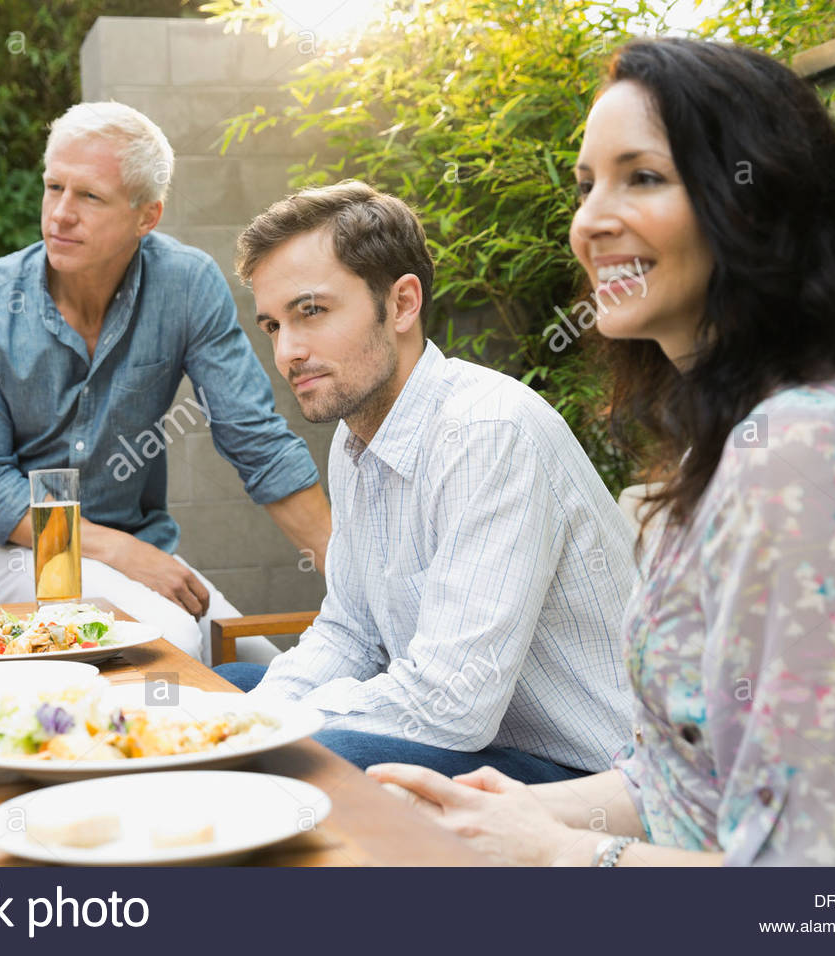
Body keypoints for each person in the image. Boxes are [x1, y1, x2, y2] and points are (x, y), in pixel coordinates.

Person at [370, 38, 835, 866]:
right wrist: (484, 810)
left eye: (643, 177)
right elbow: (679, 783)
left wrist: (559, 853)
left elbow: (830, 903)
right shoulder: (719, 449)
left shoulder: (811, 451)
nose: (590, 221)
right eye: (587, 183)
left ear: (754, 201)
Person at [217, 181, 636, 781]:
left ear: (403, 303)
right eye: (273, 326)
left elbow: (452, 701)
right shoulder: (354, 438)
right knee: (231, 689)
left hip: (585, 770)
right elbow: (352, 634)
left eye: (311, 311)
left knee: (319, 763)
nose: (288, 351)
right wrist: (246, 718)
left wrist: (267, 730)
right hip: (481, 739)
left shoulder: (487, 433)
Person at [0, 102, 330, 664]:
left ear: (148, 216)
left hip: (138, 551)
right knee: (171, 642)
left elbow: (255, 438)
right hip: (15, 552)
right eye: (53, 187)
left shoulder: (185, 284)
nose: (60, 214)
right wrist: (119, 550)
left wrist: (351, 576)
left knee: (270, 670)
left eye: (89, 196)